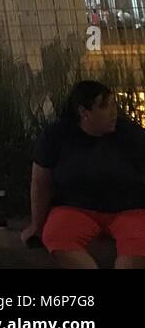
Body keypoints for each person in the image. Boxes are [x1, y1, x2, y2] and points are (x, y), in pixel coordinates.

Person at [22, 80, 145, 268]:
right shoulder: (57, 135)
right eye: (105, 107)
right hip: (76, 208)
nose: (114, 113)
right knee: (56, 235)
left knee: (137, 246)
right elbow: (40, 180)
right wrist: (36, 225)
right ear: (84, 112)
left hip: (128, 210)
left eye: (114, 106)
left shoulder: (130, 134)